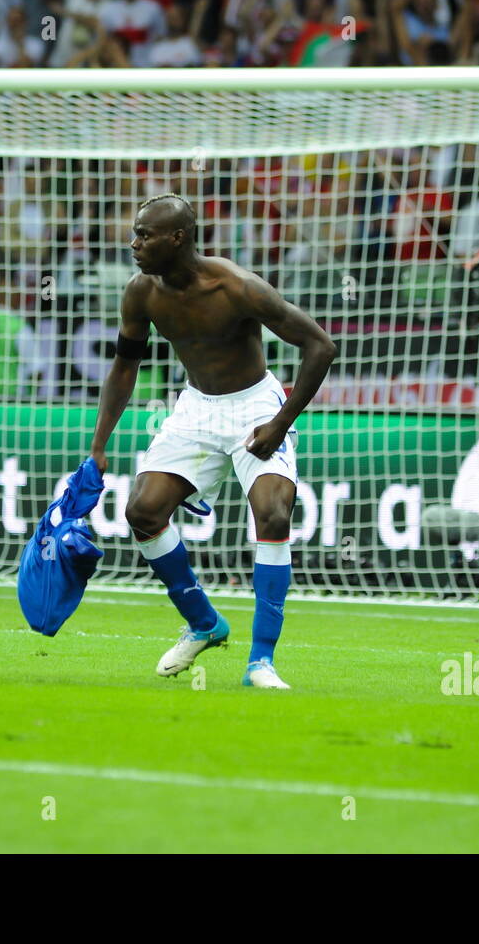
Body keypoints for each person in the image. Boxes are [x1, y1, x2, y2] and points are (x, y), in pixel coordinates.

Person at [89, 194, 336, 690]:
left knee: (273, 513)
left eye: (144, 235)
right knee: (142, 511)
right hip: (196, 409)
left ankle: (261, 663)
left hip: (257, 407)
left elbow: (321, 346)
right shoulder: (140, 292)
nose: (133, 244)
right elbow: (125, 365)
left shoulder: (237, 287)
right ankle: (204, 622)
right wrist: (99, 444)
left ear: (177, 239)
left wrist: (281, 422)